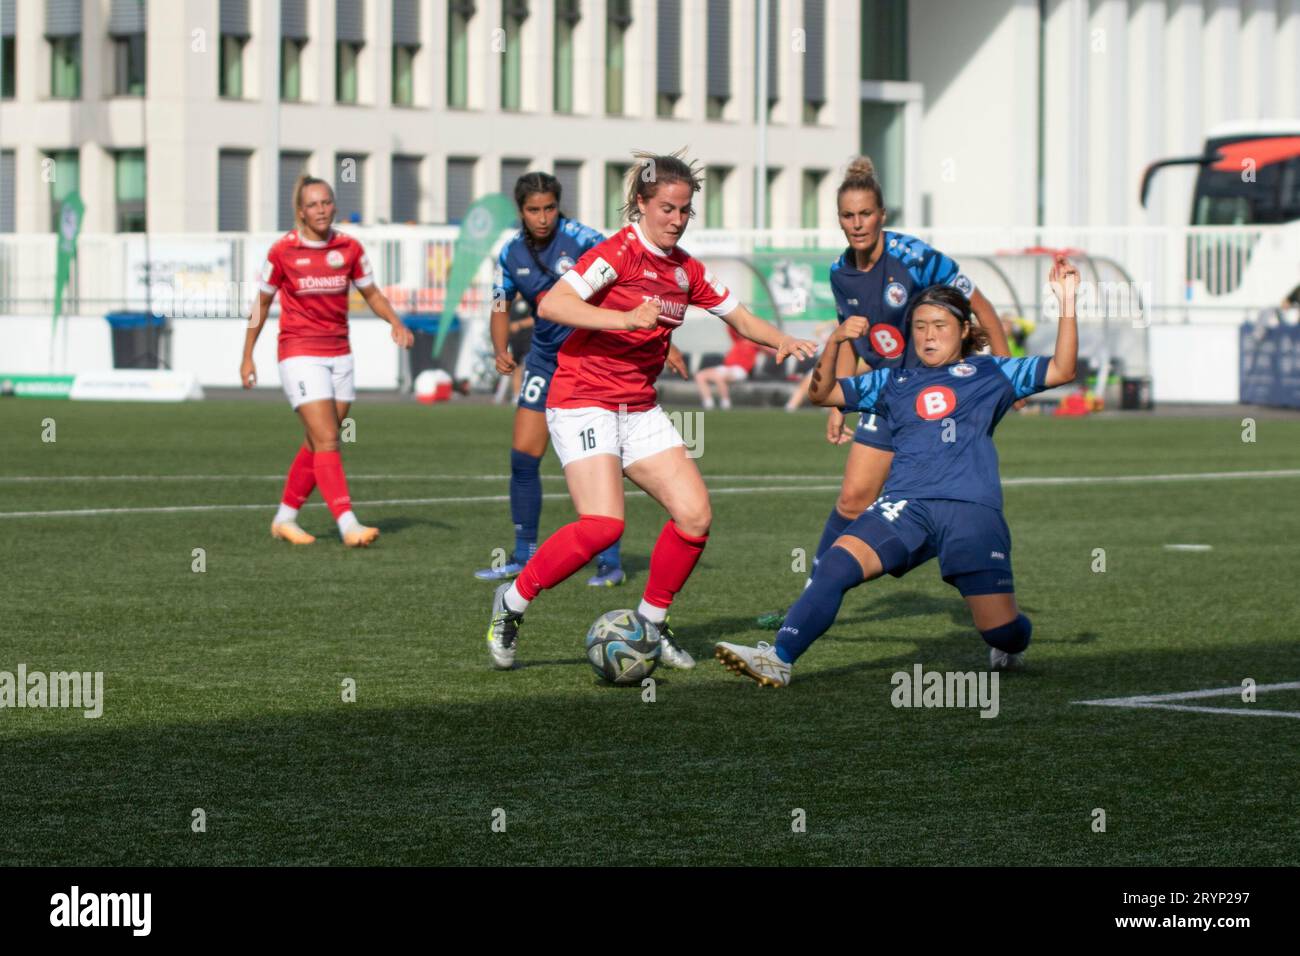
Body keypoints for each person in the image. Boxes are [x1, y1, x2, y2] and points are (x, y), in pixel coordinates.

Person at [483, 149, 817, 671]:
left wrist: (783, 339)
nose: (677, 220)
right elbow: (553, 305)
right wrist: (624, 320)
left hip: (637, 406)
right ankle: (512, 601)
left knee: (695, 516)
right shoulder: (618, 253)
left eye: (685, 211)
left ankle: (653, 623)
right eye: (667, 208)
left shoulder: (686, 271)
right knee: (603, 526)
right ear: (641, 204)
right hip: (583, 398)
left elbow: (740, 317)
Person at [715, 257, 1079, 686]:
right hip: (906, 506)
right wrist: (834, 344)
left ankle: (1011, 641)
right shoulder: (894, 381)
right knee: (835, 565)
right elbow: (824, 393)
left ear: (963, 330)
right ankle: (779, 657)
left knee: (1001, 630)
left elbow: (1062, 369)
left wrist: (1067, 303)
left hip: (971, 511)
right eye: (921, 325)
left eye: (940, 325)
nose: (928, 335)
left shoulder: (992, 372)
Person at [756, 156, 1012, 629]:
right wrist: (839, 401)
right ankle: (810, 599)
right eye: (848, 216)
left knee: (951, 502)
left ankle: (994, 617)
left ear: (882, 216)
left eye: (865, 214)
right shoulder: (839, 272)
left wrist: (1004, 372)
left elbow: (981, 306)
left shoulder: (915, 257)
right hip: (886, 393)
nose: (857, 224)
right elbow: (850, 336)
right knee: (853, 500)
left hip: (939, 400)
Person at [476, 172, 685, 586]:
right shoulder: (510, 253)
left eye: (549, 208)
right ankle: (523, 553)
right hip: (543, 360)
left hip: (593, 360)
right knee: (523, 456)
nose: (542, 217)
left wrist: (660, 335)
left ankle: (609, 561)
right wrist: (501, 347)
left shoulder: (584, 239)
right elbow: (500, 302)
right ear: (520, 211)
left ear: (560, 206)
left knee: (604, 459)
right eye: (533, 210)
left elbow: (631, 277)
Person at [240, 175, 413, 546]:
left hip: (340, 355)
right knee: (329, 438)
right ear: (301, 211)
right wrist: (247, 356)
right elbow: (262, 304)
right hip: (299, 353)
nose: (321, 209)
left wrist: (395, 321)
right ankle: (348, 524)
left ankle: (285, 517)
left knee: (317, 440)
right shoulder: (282, 251)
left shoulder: (349, 248)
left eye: (326, 202)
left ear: (333, 206)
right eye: (313, 204)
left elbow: (372, 293)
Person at [694, 325, 763, 409]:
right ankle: (708, 402)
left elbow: (771, 350)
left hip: (740, 370)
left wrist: (758, 343)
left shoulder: (755, 343)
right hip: (726, 368)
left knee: (719, 377)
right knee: (700, 375)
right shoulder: (738, 340)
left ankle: (725, 402)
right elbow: (731, 327)